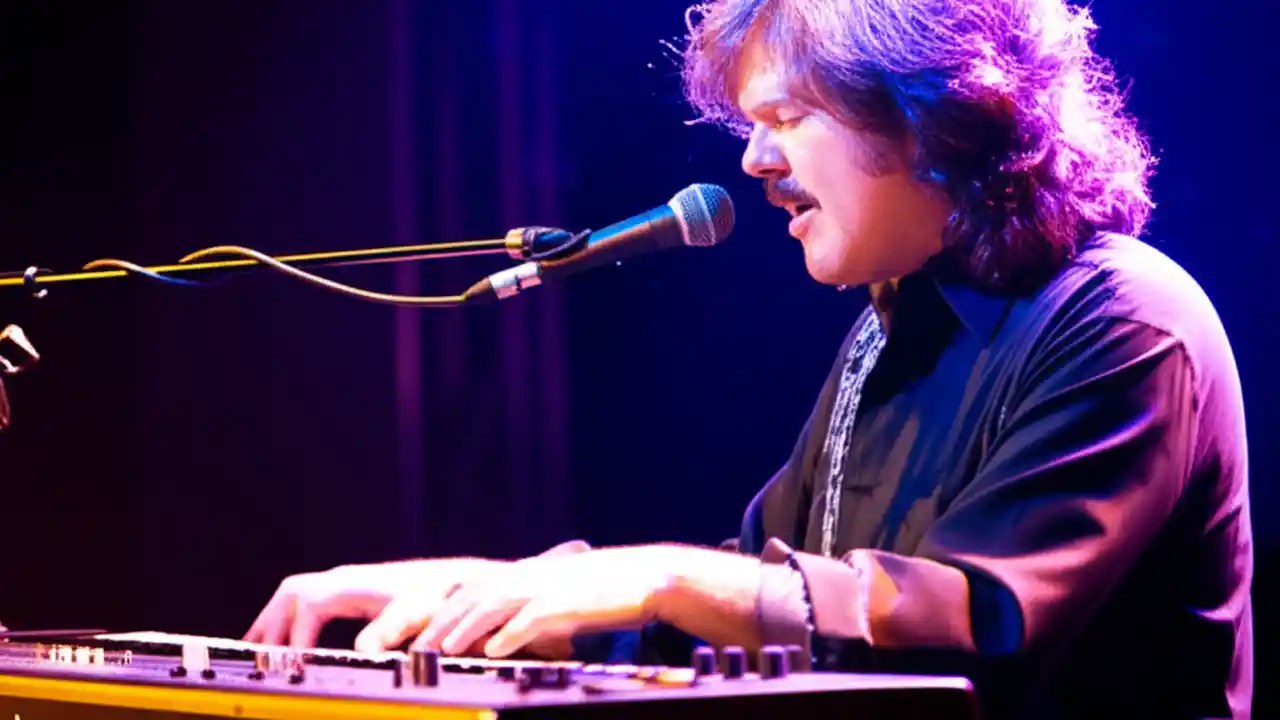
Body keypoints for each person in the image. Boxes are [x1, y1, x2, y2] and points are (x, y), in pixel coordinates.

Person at [244, 0, 1252, 717]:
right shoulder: (883, 329)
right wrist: (489, 597)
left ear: (935, 112)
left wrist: (665, 579)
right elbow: (767, 608)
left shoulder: (1126, 319)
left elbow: (979, 620)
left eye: (784, 118)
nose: (751, 161)